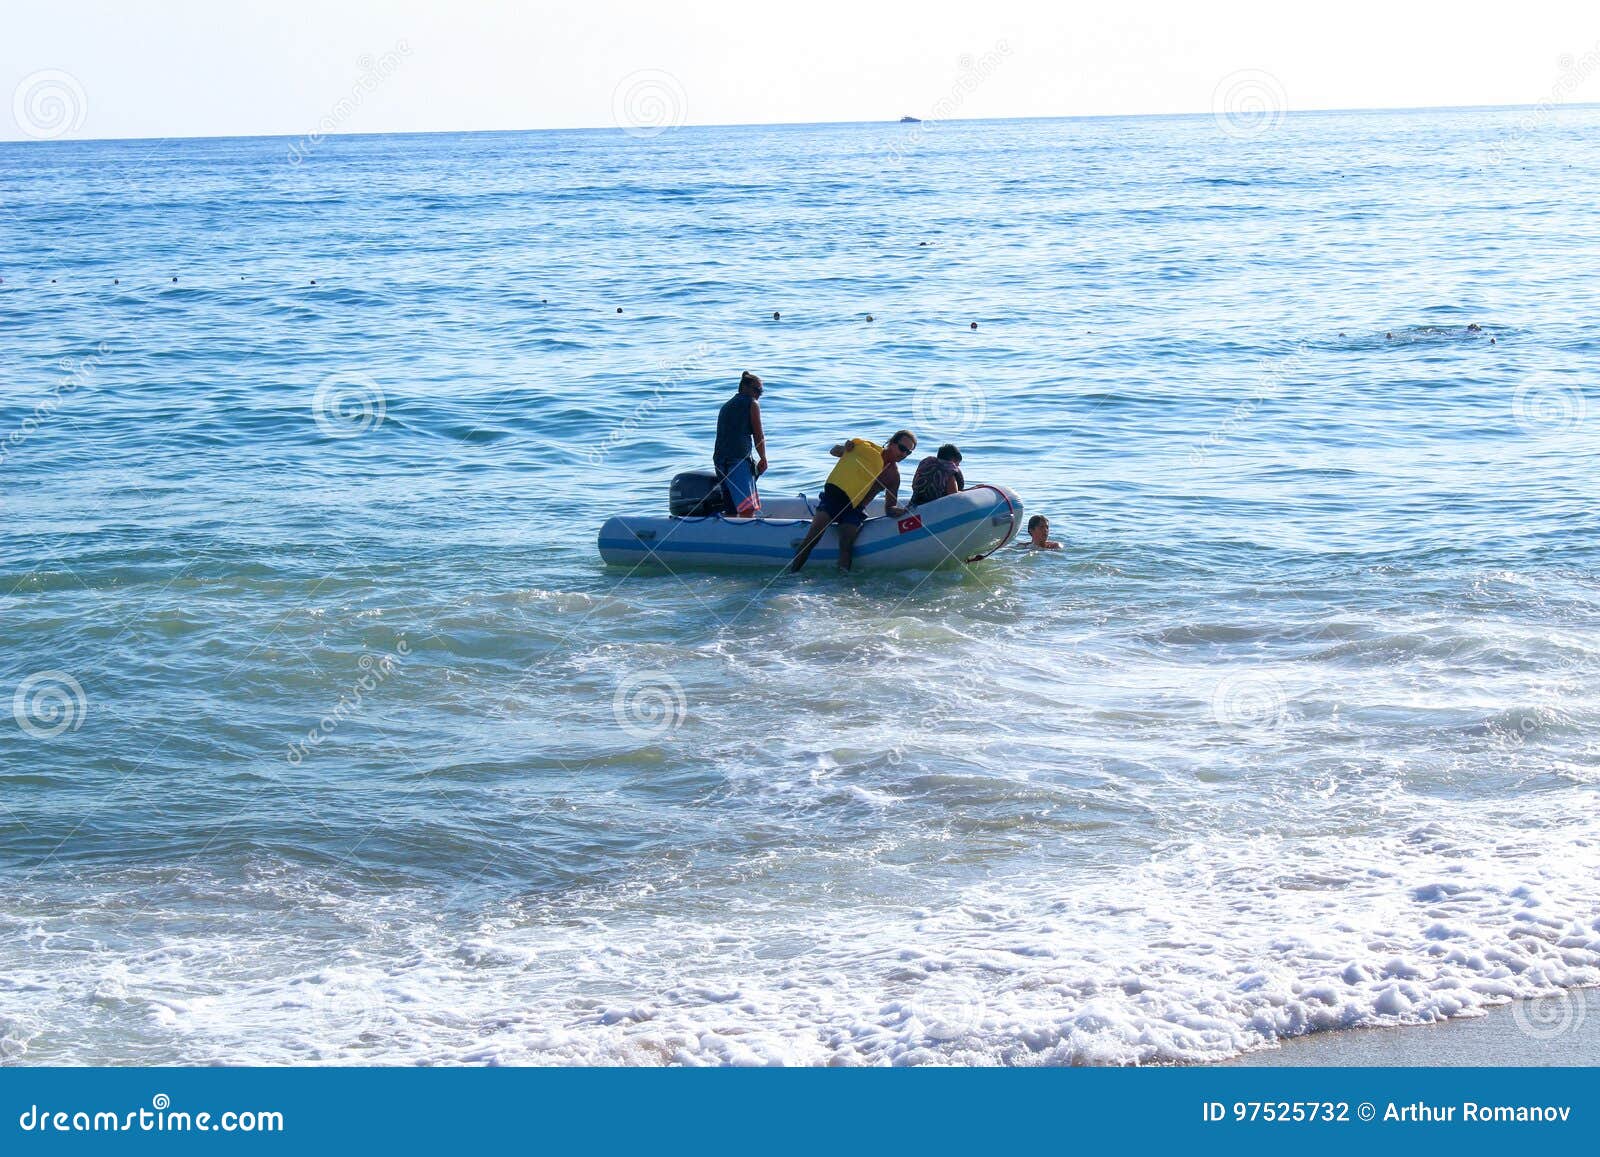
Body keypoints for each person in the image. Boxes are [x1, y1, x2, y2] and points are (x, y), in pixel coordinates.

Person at [787, 430, 917, 573]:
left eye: (908, 452)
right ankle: (792, 575)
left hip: (855, 510)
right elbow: (834, 451)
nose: (904, 454)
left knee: (846, 546)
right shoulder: (866, 451)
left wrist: (905, 511)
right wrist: (846, 447)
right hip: (834, 499)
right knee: (812, 539)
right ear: (891, 443)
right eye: (902, 448)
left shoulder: (893, 476)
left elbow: (889, 508)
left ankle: (842, 582)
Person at [712, 371, 767, 515]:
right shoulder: (752, 403)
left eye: (761, 392)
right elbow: (758, 435)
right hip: (737, 462)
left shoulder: (727, 405)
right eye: (757, 390)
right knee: (747, 509)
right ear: (744, 387)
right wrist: (763, 458)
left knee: (731, 509)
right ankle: (748, 529)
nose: (759, 394)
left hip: (720, 462)